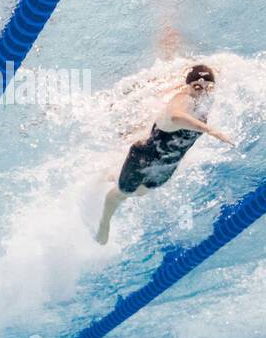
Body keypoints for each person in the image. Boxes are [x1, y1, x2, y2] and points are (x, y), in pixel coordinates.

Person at [95, 64, 234, 244]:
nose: (203, 92)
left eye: (209, 88)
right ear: (188, 86)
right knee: (122, 193)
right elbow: (176, 116)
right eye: (198, 87)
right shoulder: (184, 99)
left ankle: (113, 174)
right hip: (143, 159)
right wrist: (211, 130)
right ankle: (104, 223)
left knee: (141, 192)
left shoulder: (202, 104)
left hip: (167, 164)